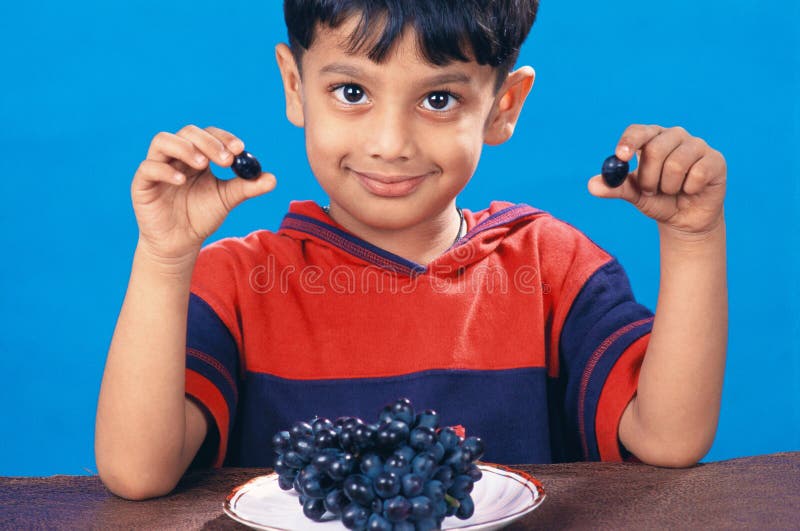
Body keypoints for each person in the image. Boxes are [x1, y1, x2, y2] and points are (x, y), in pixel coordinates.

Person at [95, 0, 728, 501]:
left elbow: (668, 440)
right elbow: (136, 473)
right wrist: (165, 256)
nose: (391, 142)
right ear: (294, 85)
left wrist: (693, 239)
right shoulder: (236, 280)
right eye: (351, 92)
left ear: (502, 108)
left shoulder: (552, 266)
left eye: (438, 99)